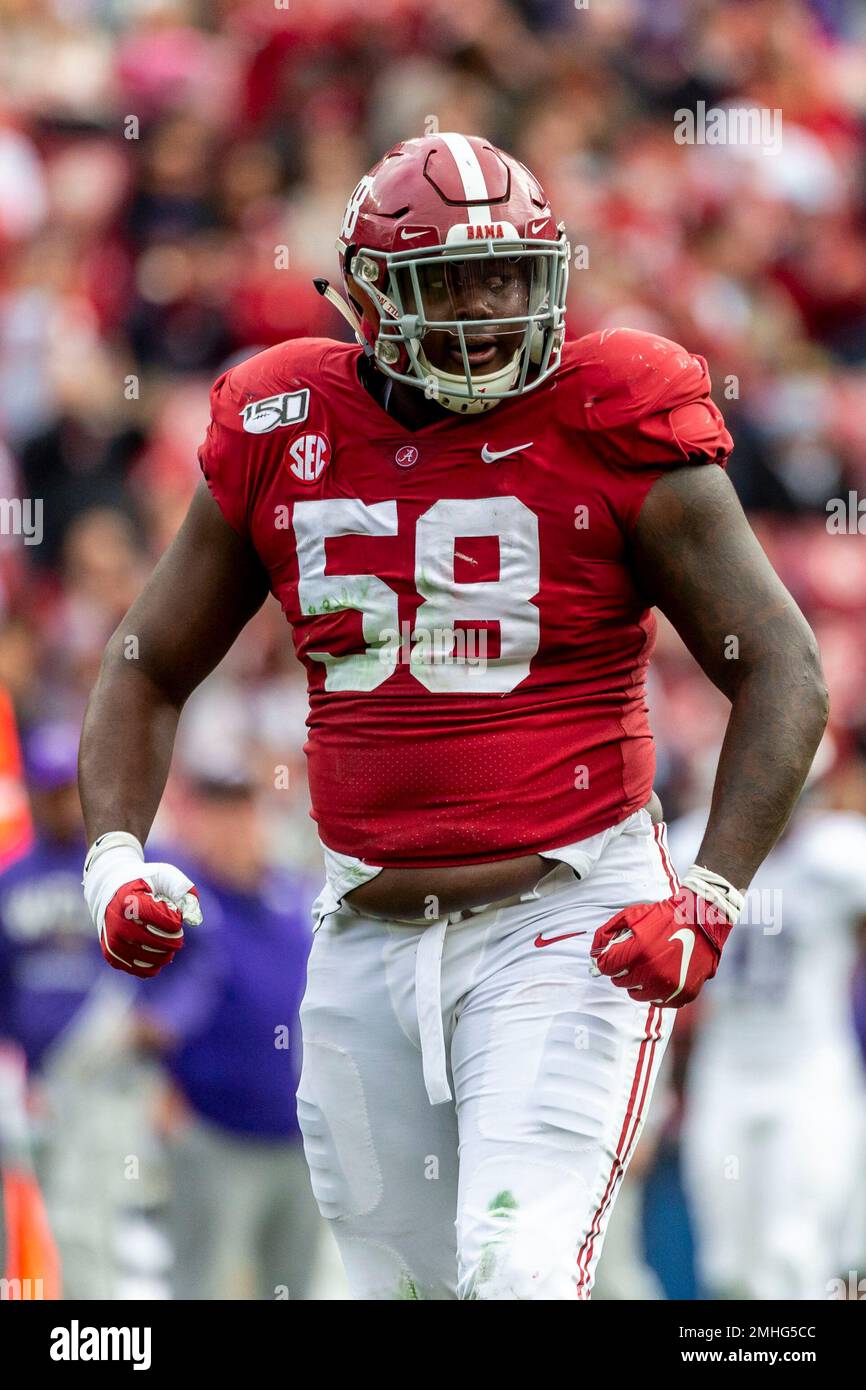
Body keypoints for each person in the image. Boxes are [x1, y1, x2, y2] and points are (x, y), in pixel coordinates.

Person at [78, 133, 828, 1300]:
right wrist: (113, 853)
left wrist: (710, 888)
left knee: (516, 1272)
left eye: (508, 275)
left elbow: (780, 662)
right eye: (450, 281)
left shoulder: (613, 410)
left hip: (567, 920)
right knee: (399, 1293)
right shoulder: (283, 420)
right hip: (364, 928)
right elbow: (144, 665)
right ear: (368, 294)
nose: (485, 309)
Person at [131, 768, 322, 1300]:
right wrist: (161, 1084)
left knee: (291, 1287)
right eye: (219, 815)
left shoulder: (291, 898)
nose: (235, 829)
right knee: (203, 1285)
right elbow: (147, 1015)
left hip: (297, 1135)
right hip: (213, 1131)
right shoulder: (181, 906)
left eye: (243, 813)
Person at [669, 786, 866, 1299]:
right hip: (725, 1072)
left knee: (793, 1254)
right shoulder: (692, 848)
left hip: (810, 1075)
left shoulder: (837, 857)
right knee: (728, 1265)